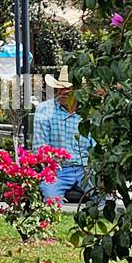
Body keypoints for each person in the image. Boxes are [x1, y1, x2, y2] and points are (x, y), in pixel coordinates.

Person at [31, 66, 94, 201]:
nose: (63, 91)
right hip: (58, 170)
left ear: (78, 90)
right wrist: (52, 162)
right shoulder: (45, 110)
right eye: (60, 87)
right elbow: (39, 147)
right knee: (50, 197)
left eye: (68, 88)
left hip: (86, 170)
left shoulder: (90, 111)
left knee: (102, 196)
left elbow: (96, 146)